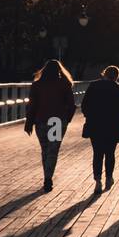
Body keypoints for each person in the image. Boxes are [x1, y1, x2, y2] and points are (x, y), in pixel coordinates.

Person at [24, 59, 76, 192]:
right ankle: (48, 178)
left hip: (40, 120)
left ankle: (46, 176)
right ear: (59, 71)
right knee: (53, 151)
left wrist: (29, 122)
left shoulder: (37, 85)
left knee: (45, 150)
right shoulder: (64, 84)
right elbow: (71, 105)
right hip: (57, 121)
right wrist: (66, 119)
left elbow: (32, 105)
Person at [80, 65, 119, 194]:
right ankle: (109, 177)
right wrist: (117, 119)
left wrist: (90, 116)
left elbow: (84, 105)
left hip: (95, 124)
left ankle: (97, 181)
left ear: (104, 74)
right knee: (110, 153)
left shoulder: (94, 86)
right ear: (117, 76)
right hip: (112, 125)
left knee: (97, 153)